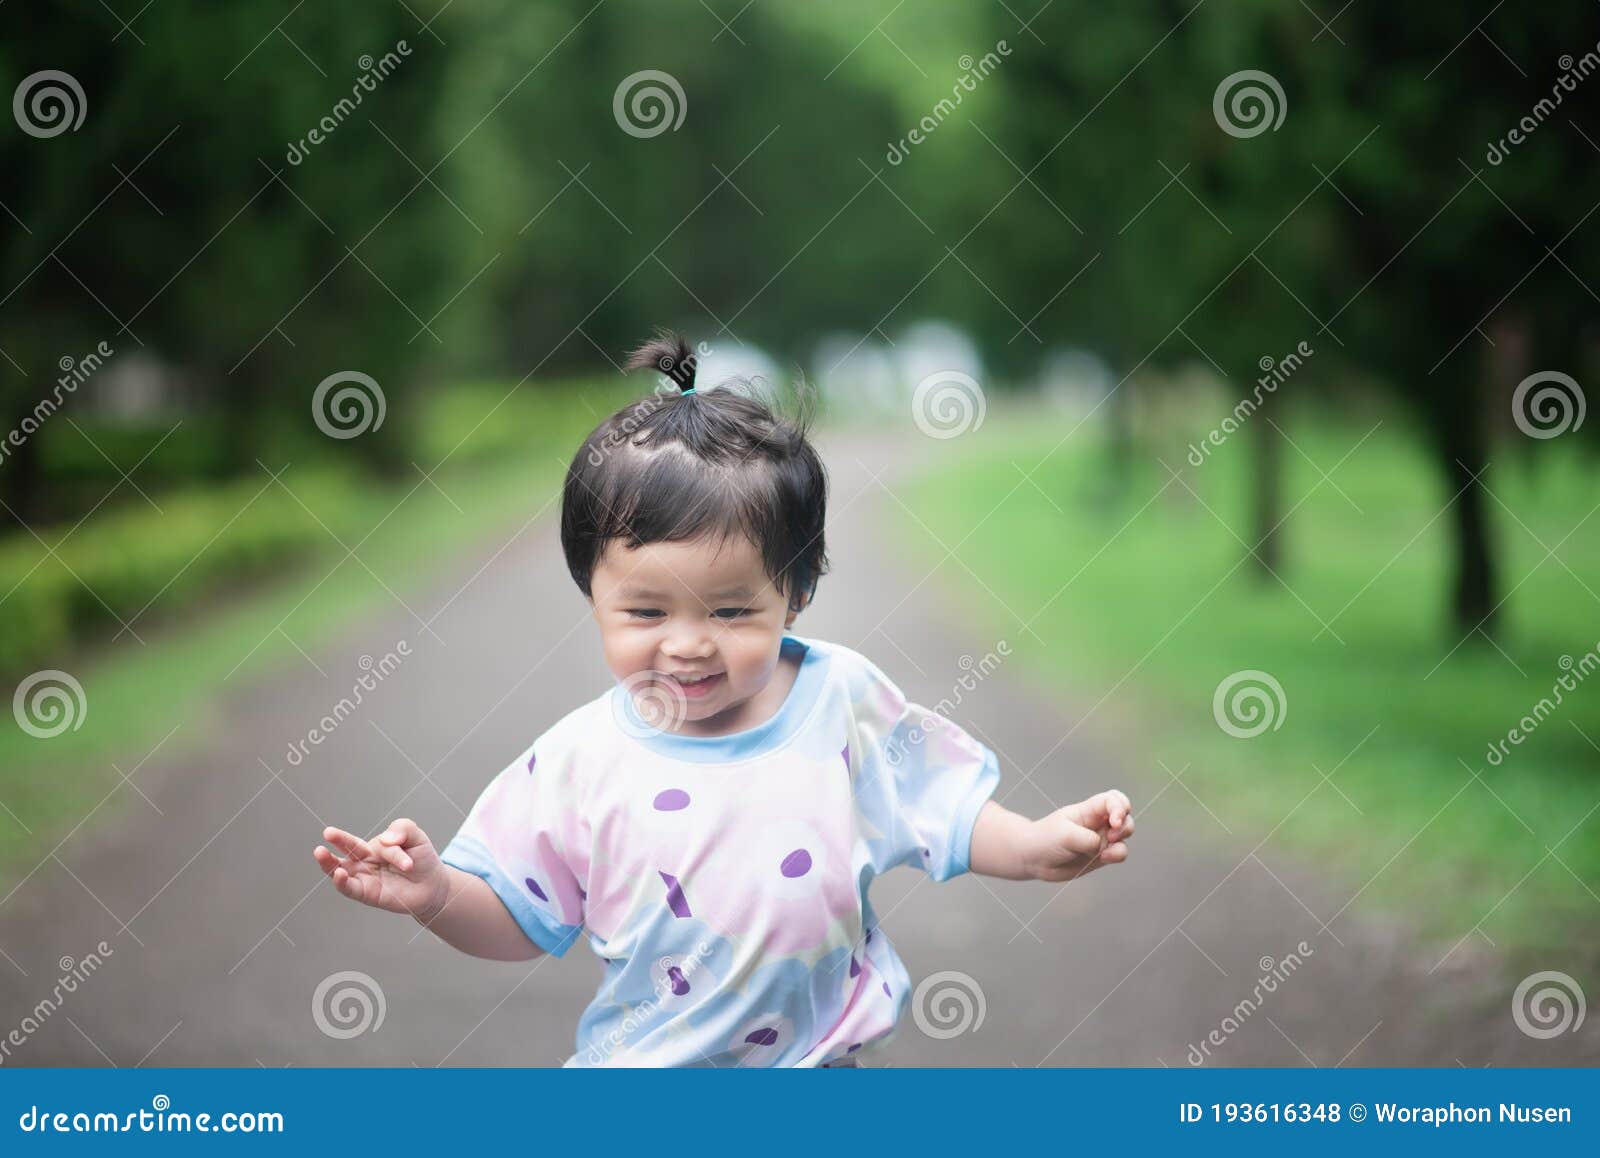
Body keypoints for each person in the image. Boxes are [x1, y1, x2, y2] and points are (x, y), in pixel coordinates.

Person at [312, 331, 1134, 1067]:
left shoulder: (837, 699)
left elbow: (938, 803)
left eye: (733, 611)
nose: (689, 643)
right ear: (590, 594)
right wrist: (436, 897)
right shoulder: (577, 762)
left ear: (798, 591)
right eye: (644, 611)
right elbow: (519, 917)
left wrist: (1032, 846)